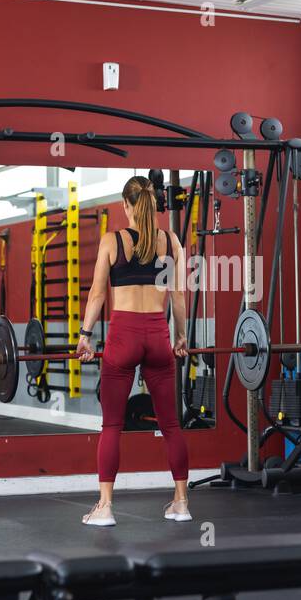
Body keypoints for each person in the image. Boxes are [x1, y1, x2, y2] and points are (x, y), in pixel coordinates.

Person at [77, 176, 190, 526]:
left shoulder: (113, 241)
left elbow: (97, 294)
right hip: (158, 334)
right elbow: (179, 296)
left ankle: (105, 508)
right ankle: (182, 503)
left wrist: (85, 335)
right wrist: (181, 336)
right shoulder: (171, 242)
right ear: (153, 204)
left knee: (111, 424)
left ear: (126, 205)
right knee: (171, 424)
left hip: (124, 335)